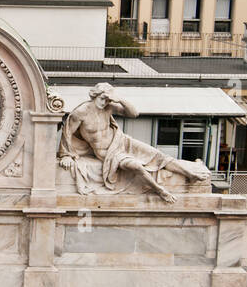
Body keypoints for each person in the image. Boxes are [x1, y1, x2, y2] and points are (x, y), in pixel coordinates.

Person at [59, 83, 211, 203]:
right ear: (95, 95)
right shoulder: (81, 112)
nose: (104, 102)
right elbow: (67, 132)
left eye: (107, 99)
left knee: (158, 155)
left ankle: (191, 174)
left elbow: (133, 113)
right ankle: (160, 190)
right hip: (109, 154)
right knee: (136, 166)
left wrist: (119, 100)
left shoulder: (109, 107)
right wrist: (66, 154)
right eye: (102, 98)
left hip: (121, 141)